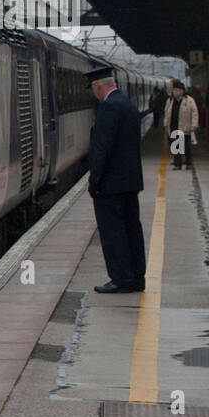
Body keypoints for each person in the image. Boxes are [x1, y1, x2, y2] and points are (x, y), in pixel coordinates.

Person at [86, 65, 146, 294]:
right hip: (130, 182)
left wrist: (95, 181)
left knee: (114, 233)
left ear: (98, 86)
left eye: (94, 90)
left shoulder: (108, 107)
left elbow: (102, 149)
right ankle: (136, 278)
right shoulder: (127, 104)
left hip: (111, 185)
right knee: (132, 229)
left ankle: (120, 278)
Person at [162, 79, 199, 170]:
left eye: (177, 90)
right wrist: (165, 124)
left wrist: (194, 124)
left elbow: (195, 113)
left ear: (182, 91)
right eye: (174, 90)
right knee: (176, 146)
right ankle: (177, 164)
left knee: (186, 146)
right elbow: (166, 112)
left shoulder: (189, 100)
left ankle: (188, 162)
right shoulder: (170, 100)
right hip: (173, 126)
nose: (175, 92)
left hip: (185, 127)